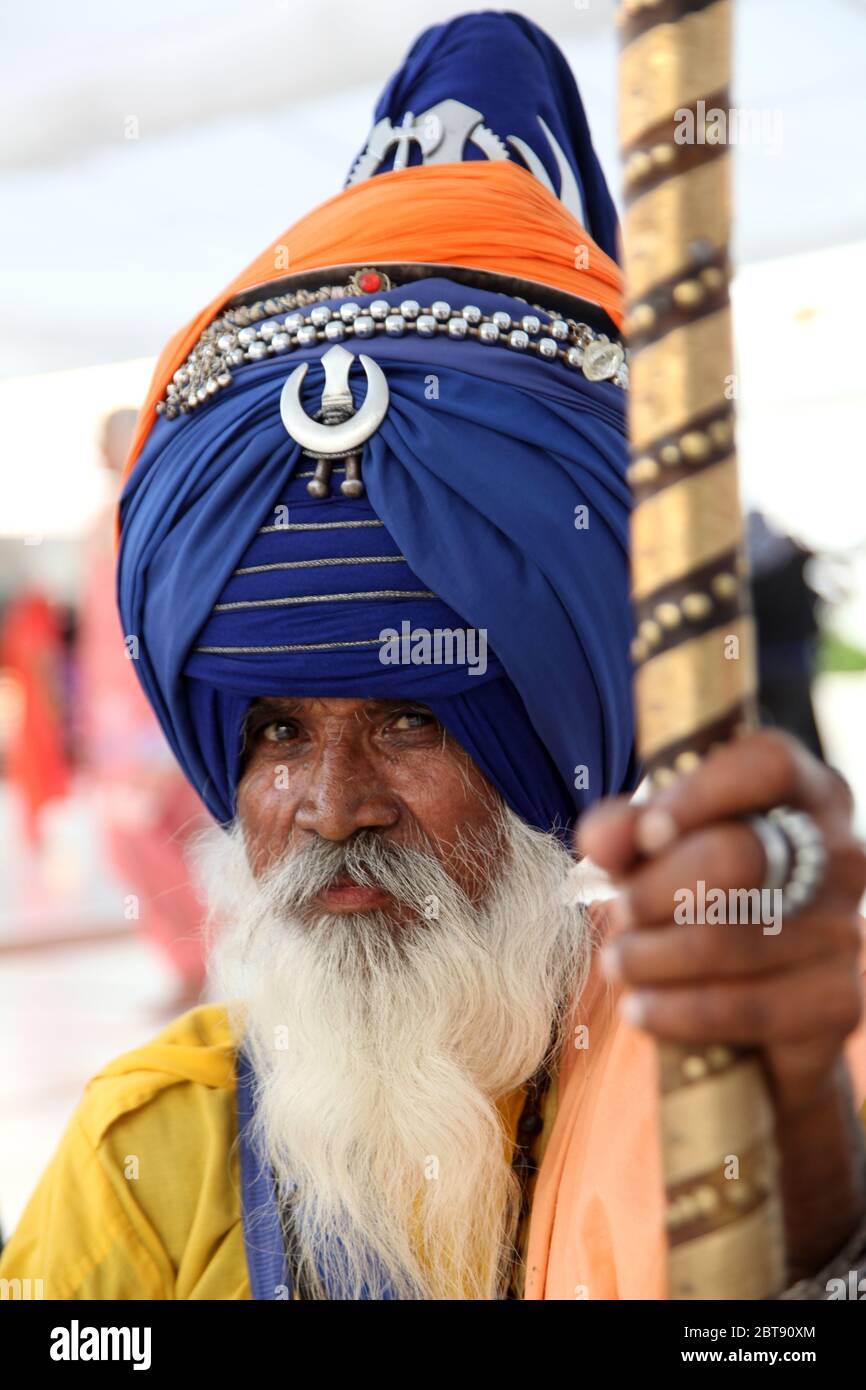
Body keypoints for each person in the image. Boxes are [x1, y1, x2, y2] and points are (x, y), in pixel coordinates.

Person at [2, 11, 866, 1301]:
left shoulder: (698, 1078)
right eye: (277, 731)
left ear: (552, 736)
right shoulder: (151, 1150)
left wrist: (800, 1123)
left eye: (409, 717)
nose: (332, 806)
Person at [76, 407, 209, 1004]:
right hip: (117, 722)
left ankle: (201, 954)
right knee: (128, 834)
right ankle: (190, 954)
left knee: (153, 829)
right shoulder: (97, 530)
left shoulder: (170, 519)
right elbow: (95, 640)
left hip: (167, 706)